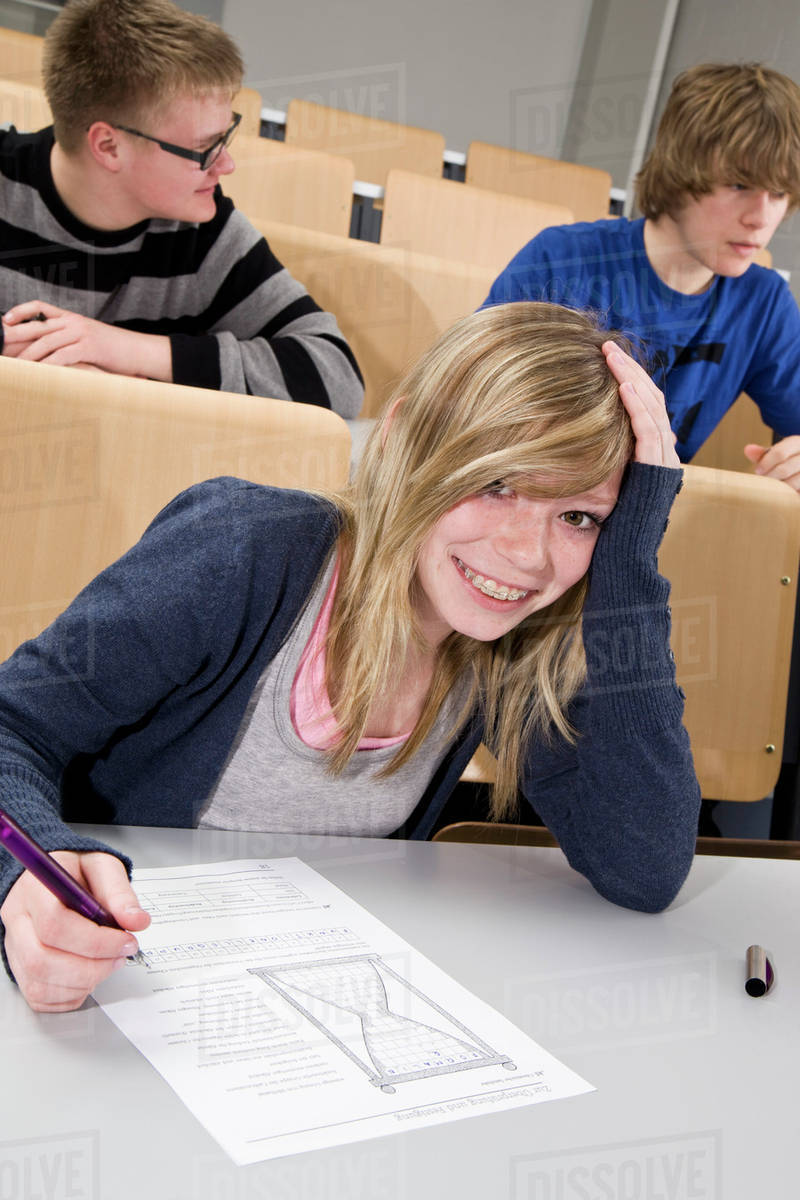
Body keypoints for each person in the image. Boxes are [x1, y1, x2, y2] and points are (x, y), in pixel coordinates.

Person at [0, 302, 700, 1013]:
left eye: (580, 517)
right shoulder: (239, 552)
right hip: (124, 984)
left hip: (300, 998)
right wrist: (27, 874)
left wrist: (629, 574)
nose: (527, 553)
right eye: (496, 484)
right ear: (403, 441)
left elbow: (642, 869)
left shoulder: (520, 641)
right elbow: (11, 726)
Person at [0, 0, 363, 416]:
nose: (226, 164)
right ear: (108, 146)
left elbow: (338, 377)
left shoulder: (205, 232)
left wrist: (127, 351)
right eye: (202, 148)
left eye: (224, 138)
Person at [483, 63, 800, 489]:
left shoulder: (765, 303)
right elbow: (475, 410)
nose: (762, 218)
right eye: (739, 184)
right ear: (681, 171)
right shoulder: (560, 260)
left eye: (779, 192)